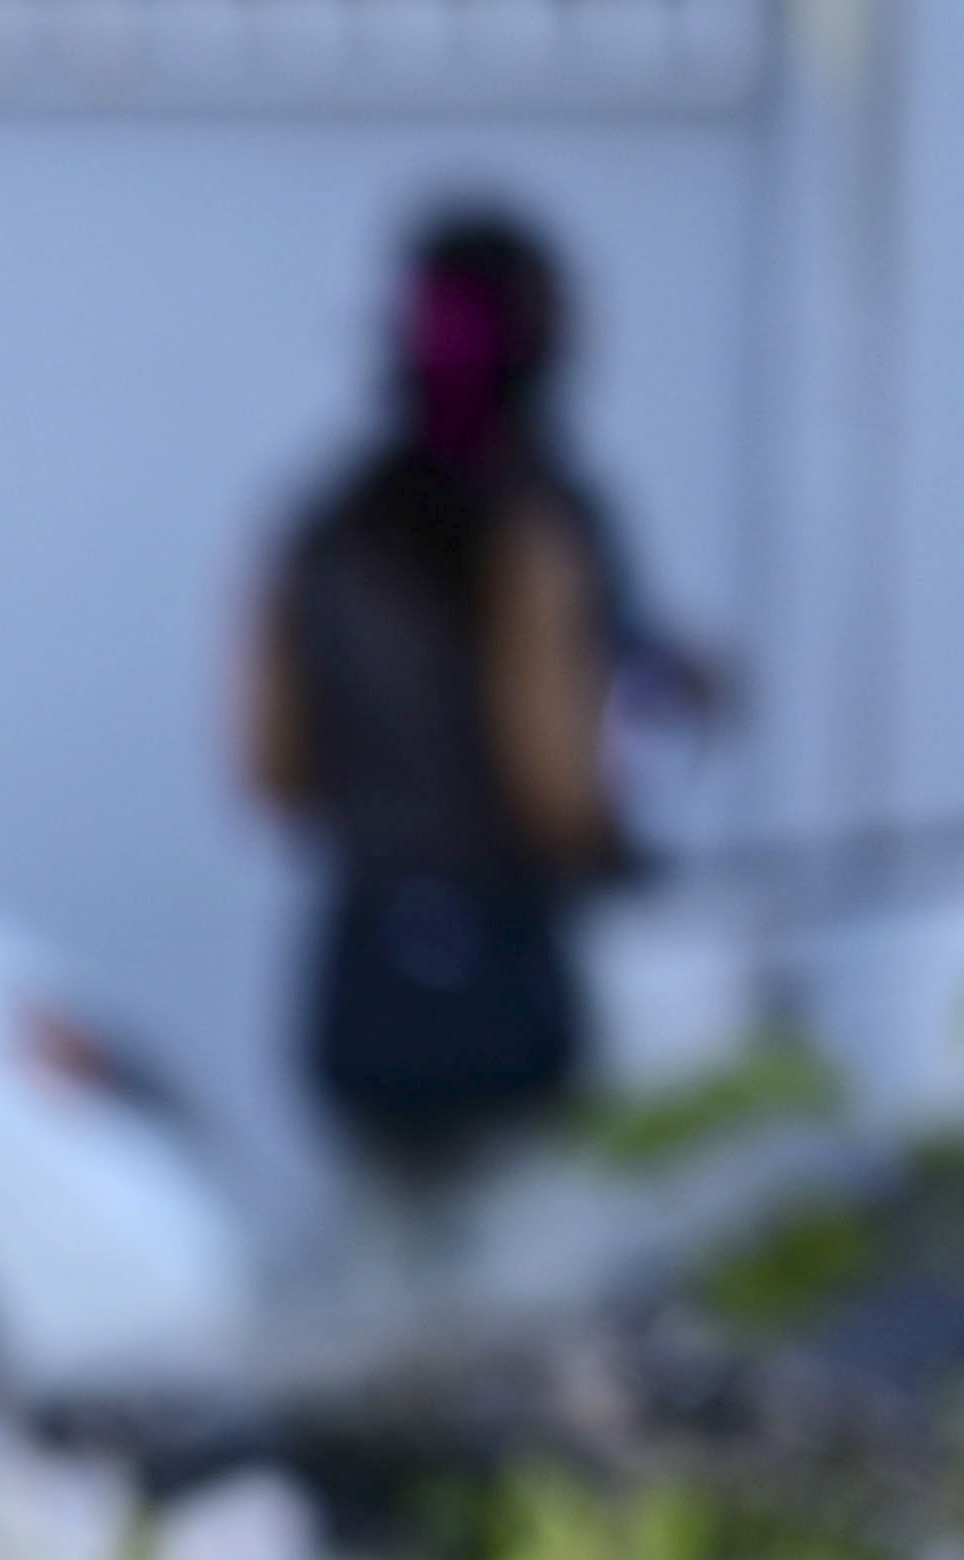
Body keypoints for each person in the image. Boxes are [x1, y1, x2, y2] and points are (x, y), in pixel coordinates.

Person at [243, 205, 649, 1178]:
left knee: (380, 1240)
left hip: (364, 957)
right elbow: (551, 770)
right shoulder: (536, 528)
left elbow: (270, 765)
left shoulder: (324, 528)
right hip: (507, 963)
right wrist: (614, 846)